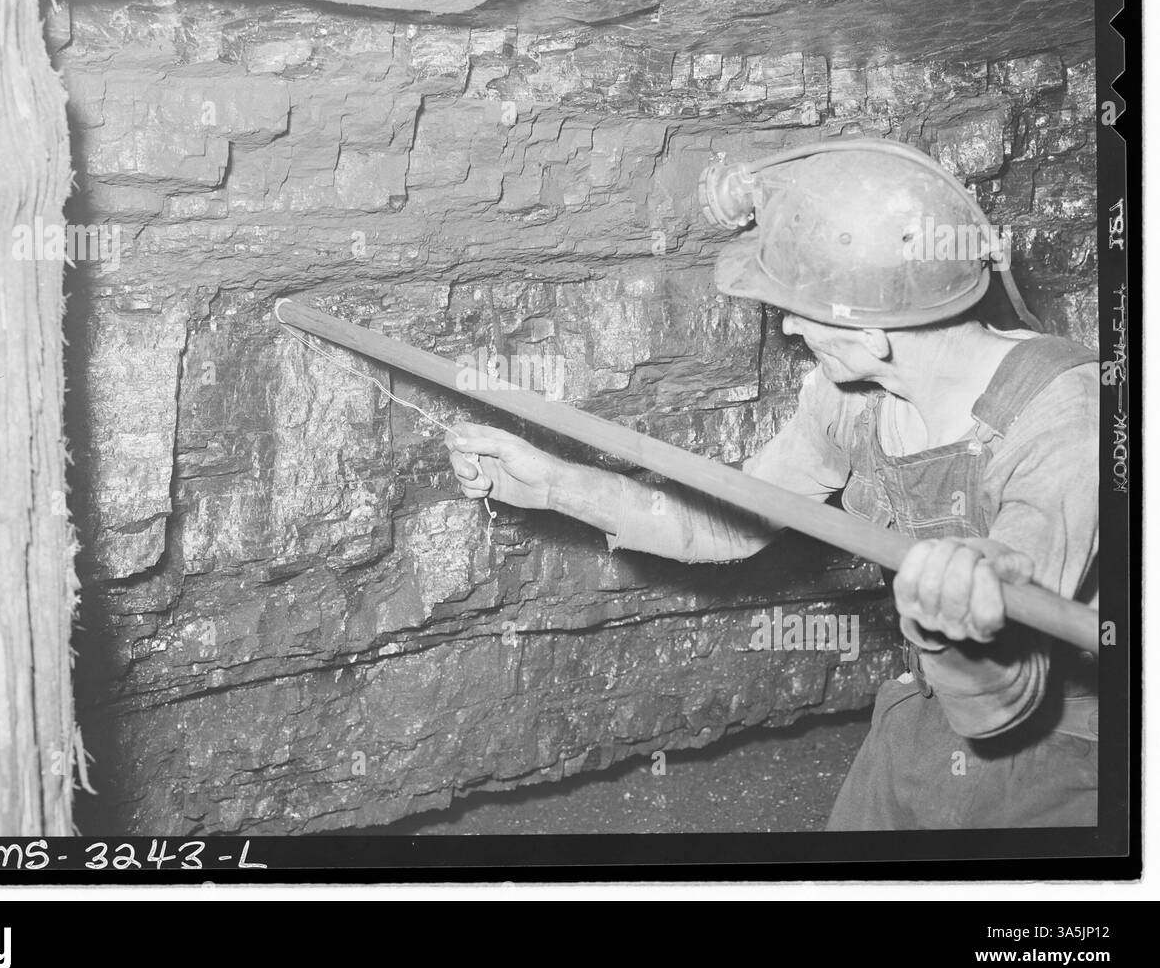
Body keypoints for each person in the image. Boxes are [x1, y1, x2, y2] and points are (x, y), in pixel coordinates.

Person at [445, 140, 1099, 830]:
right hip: (925, 713)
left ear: (872, 332)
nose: (786, 325)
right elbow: (723, 520)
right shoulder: (855, 400)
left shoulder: (1063, 423)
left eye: (799, 309)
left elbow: (1002, 701)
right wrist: (551, 484)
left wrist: (957, 620)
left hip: (1063, 749)